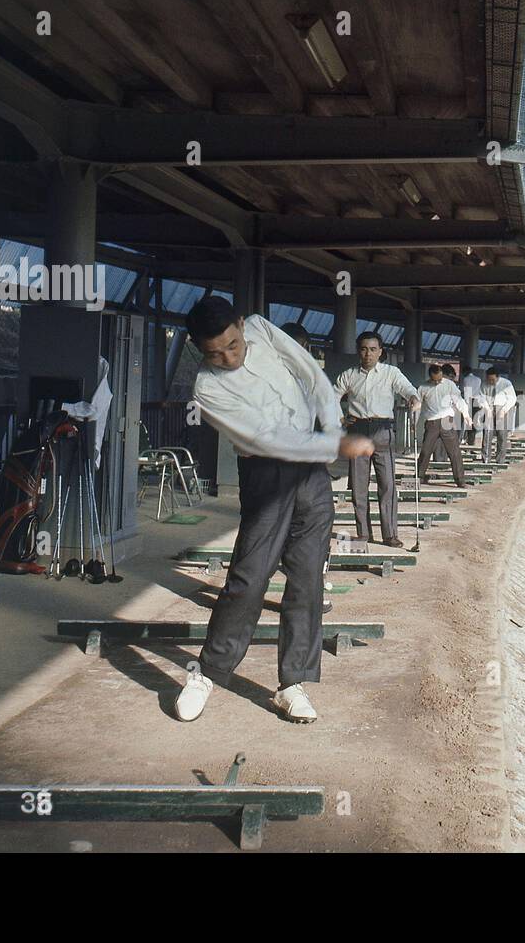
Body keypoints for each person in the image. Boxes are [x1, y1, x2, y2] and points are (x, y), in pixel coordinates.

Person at [174, 297, 374, 726]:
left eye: (232, 344)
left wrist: (332, 425)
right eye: (214, 353)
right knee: (249, 576)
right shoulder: (207, 389)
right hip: (266, 472)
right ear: (197, 348)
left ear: (242, 326)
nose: (227, 357)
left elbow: (309, 373)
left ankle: (292, 684)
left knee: (306, 577)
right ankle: (209, 673)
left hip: (312, 474)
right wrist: (335, 447)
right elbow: (266, 439)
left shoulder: (263, 331)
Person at [334, 331, 420, 548]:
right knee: (359, 487)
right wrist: (341, 418)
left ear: (380, 351)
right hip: (358, 431)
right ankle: (363, 533)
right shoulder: (349, 375)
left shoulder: (391, 373)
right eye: (363, 349)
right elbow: (331, 396)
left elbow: (407, 388)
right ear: (358, 351)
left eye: (373, 349)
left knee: (388, 485)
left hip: (383, 432)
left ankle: (390, 535)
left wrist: (413, 398)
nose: (368, 354)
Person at [417, 363, 470, 487]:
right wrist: (414, 422)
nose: (437, 382)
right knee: (425, 451)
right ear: (430, 377)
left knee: (454, 452)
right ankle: (419, 477)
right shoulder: (423, 387)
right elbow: (417, 406)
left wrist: (466, 415)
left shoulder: (449, 384)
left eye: (440, 379)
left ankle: (460, 481)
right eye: (435, 380)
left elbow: (458, 400)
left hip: (447, 421)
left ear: (442, 375)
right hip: (432, 422)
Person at [480, 366, 516, 462]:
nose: (491, 381)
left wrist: (504, 410)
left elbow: (512, 398)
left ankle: (500, 460)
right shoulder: (484, 384)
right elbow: (481, 397)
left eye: (493, 379)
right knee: (487, 434)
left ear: (498, 377)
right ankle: (486, 459)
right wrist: (487, 409)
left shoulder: (506, 383)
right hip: (489, 407)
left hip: (502, 407)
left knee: (501, 435)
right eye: (489, 379)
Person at [461, 367, 483, 444]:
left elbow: (467, 392)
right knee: (474, 421)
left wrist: (466, 404)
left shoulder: (466, 379)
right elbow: (480, 391)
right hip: (477, 401)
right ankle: (471, 441)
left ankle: (463, 438)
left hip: (469, 400)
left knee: (466, 420)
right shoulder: (478, 379)